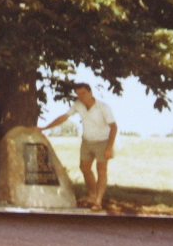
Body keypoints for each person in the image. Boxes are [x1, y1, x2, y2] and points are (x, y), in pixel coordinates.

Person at [36, 82, 117, 210]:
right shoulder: (78, 105)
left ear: (90, 92)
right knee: (84, 168)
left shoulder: (103, 107)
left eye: (83, 93)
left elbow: (114, 127)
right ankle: (92, 194)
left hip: (103, 141)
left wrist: (109, 148)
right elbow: (64, 117)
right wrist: (45, 128)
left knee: (101, 171)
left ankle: (98, 201)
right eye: (78, 94)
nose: (81, 96)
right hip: (86, 141)